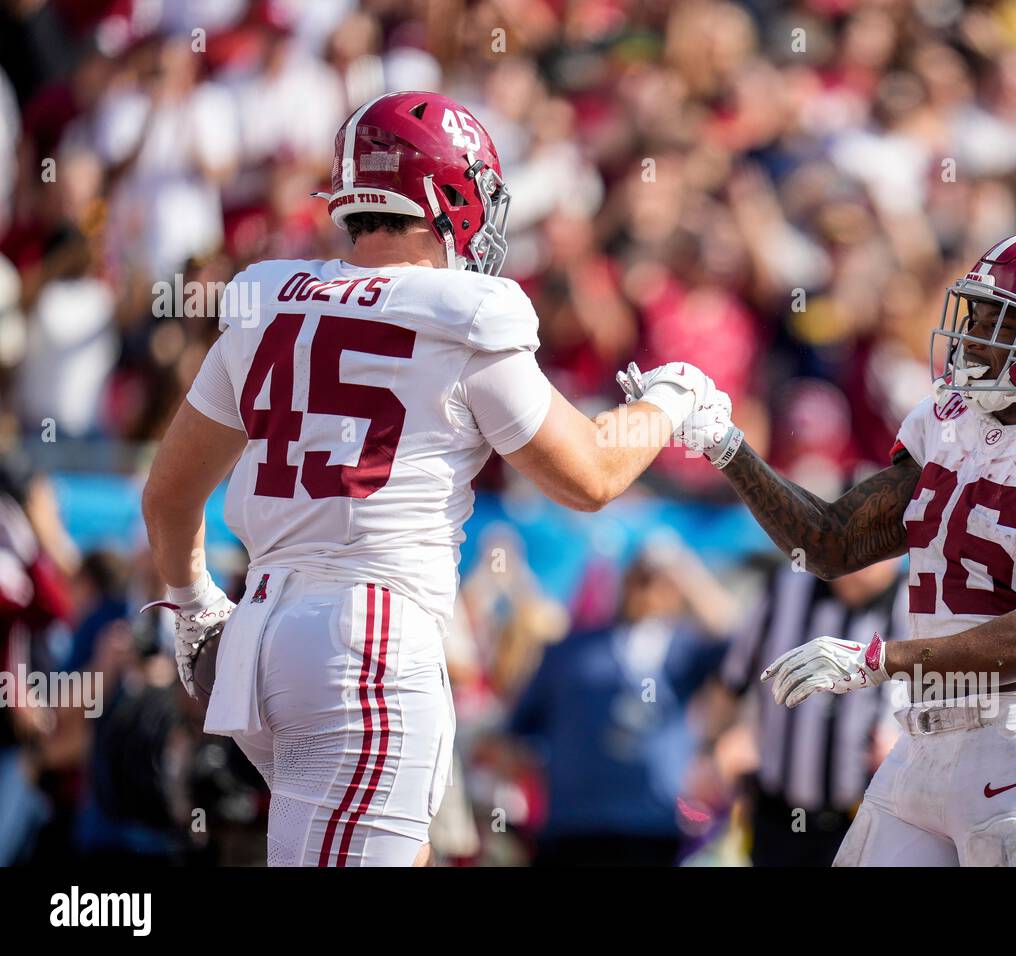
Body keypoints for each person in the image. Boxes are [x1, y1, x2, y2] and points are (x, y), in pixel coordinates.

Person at [140, 91, 727, 867]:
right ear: (445, 195)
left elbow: (170, 493)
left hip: (264, 636)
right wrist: (672, 396)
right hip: (367, 644)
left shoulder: (270, 303)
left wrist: (192, 607)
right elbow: (590, 475)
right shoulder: (461, 314)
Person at [627, 230, 1016, 866]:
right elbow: (832, 545)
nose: (971, 334)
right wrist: (724, 444)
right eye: (975, 313)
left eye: (996, 319)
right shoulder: (946, 423)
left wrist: (878, 659)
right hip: (923, 741)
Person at [507, 547, 727, 867]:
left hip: (652, 824)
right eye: (641, 579)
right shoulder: (572, 650)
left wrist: (691, 574)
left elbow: (741, 644)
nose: (649, 591)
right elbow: (519, 729)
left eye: (660, 581)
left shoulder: (686, 649)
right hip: (573, 824)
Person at [714, 558, 906, 867]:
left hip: (869, 822)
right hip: (779, 819)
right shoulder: (785, 588)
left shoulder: (912, 606)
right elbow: (730, 684)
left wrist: (905, 745)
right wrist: (713, 748)